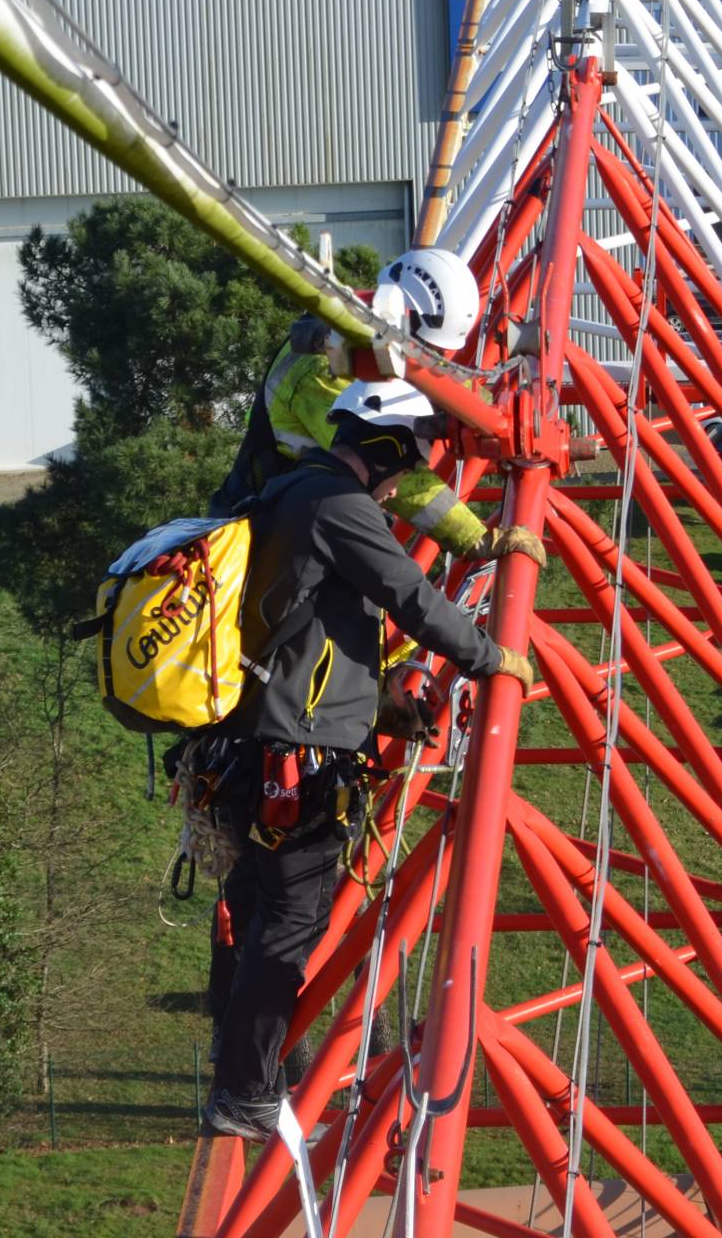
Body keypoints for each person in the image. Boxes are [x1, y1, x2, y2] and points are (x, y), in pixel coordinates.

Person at [202, 379, 506, 1142]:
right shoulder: (343, 507)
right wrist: (494, 659)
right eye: (407, 463)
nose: (408, 482)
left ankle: (238, 1074)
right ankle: (243, 1093)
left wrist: (375, 706)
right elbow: (413, 598)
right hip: (292, 760)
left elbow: (309, 636)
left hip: (252, 747)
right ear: (384, 451)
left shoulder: (289, 492)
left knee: (255, 908)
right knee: (287, 926)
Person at [211, 247, 488, 560]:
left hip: (308, 516)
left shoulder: (371, 345)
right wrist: (472, 537)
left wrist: (487, 413)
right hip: (260, 538)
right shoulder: (320, 374)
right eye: (425, 347)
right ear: (402, 321)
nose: (428, 359)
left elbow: (436, 376)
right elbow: (389, 468)